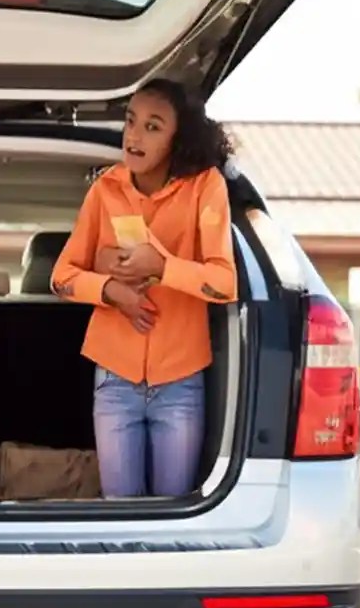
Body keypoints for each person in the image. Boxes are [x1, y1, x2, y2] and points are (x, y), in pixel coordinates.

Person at [51, 78, 237, 499]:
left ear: (178, 138)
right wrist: (111, 290)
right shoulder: (105, 190)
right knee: (121, 514)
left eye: (153, 127)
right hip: (114, 380)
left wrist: (164, 267)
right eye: (131, 121)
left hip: (180, 382)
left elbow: (224, 284)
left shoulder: (206, 187)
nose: (134, 136)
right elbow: (61, 277)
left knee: (171, 514)